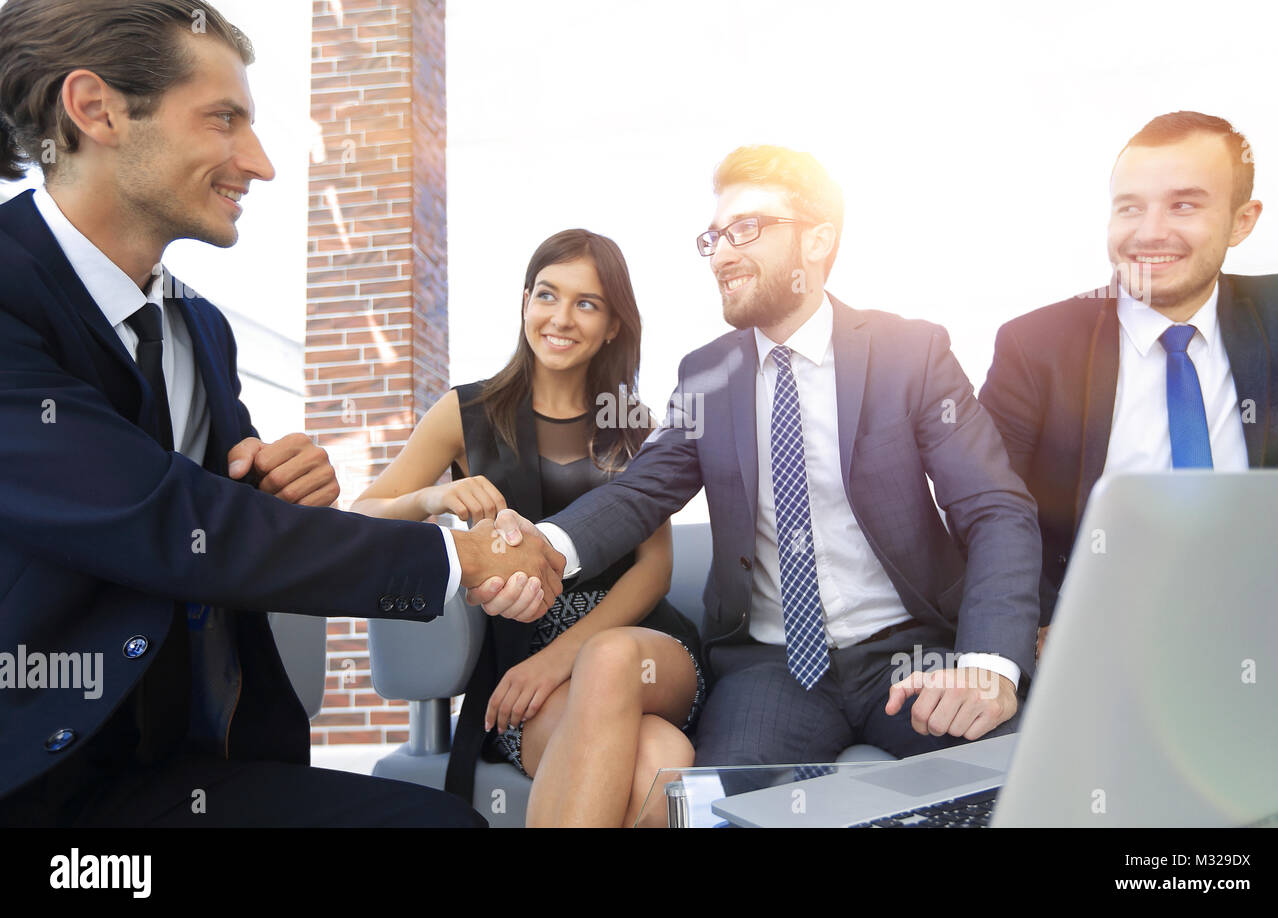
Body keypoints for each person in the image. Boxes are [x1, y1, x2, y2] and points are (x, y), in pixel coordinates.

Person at [0, 0, 562, 827]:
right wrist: (456, 559)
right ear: (96, 110)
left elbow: (223, 535)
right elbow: (169, 521)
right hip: (36, 783)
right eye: (224, 120)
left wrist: (275, 491)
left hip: (188, 771)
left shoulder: (200, 330)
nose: (259, 163)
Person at [472, 145, 1042, 775]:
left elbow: (995, 508)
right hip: (772, 668)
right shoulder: (707, 375)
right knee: (724, 809)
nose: (721, 252)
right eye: (713, 236)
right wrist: (543, 544)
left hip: (911, 655)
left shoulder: (912, 354)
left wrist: (988, 666)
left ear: (818, 241)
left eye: (746, 229)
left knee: (1019, 782)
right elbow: (640, 492)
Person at [352, 229, 705, 827]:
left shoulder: (636, 425)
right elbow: (362, 517)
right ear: (524, 303)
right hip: (523, 658)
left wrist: (564, 657)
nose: (561, 318)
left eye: (586, 303)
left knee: (612, 659)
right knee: (662, 762)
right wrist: (432, 495)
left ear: (613, 324)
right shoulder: (464, 414)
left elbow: (654, 568)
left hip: (641, 645)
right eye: (547, 295)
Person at [979, 111, 1278, 659]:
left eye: (1184, 204)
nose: (1149, 232)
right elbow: (985, 512)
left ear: (1242, 221)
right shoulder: (1035, 347)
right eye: (1130, 207)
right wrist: (1038, 623)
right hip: (1105, 637)